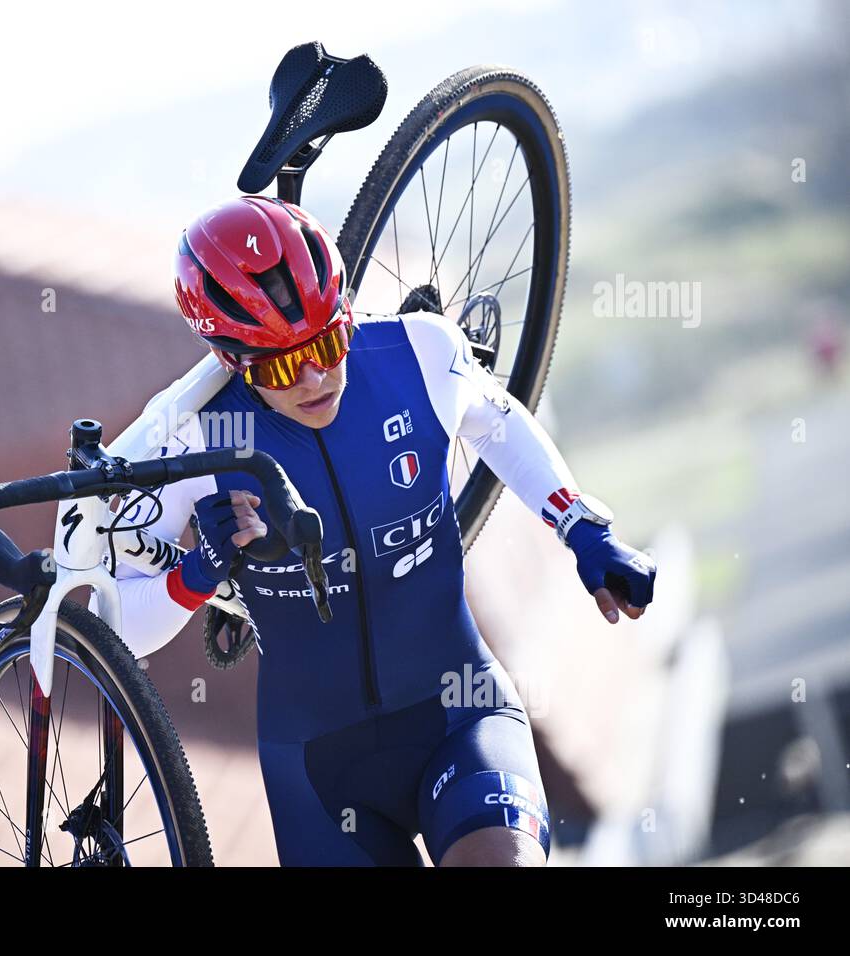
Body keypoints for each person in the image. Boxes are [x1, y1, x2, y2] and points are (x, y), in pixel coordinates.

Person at [114, 196, 657, 866]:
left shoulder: (418, 351)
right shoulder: (191, 439)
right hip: (319, 773)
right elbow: (117, 627)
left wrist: (583, 528)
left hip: (461, 717)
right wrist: (195, 575)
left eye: (328, 343)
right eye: (283, 366)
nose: (317, 377)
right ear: (232, 359)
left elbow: (499, 423)